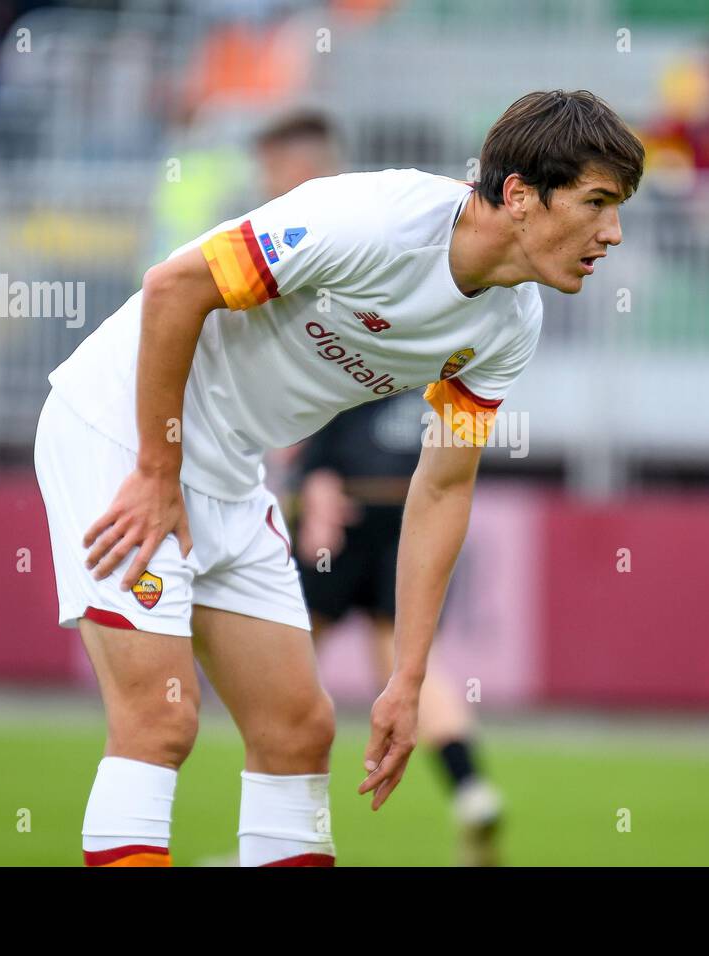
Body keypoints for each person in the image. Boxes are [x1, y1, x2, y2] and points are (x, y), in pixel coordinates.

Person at [33, 89, 644, 867]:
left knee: (298, 732)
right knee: (161, 722)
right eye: (597, 203)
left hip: (229, 470)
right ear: (522, 195)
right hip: (120, 434)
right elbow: (173, 286)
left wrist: (408, 678)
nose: (612, 233)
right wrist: (158, 469)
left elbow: (443, 486)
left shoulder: (510, 325)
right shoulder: (374, 221)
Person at [254, 109, 508, 866]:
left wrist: (313, 477)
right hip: (413, 491)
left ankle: (272, 832)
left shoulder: (343, 237)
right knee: (400, 662)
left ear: (302, 167)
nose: (268, 182)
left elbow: (338, 375)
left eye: (275, 168)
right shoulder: (430, 252)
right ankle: (472, 790)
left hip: (350, 494)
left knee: (278, 670)